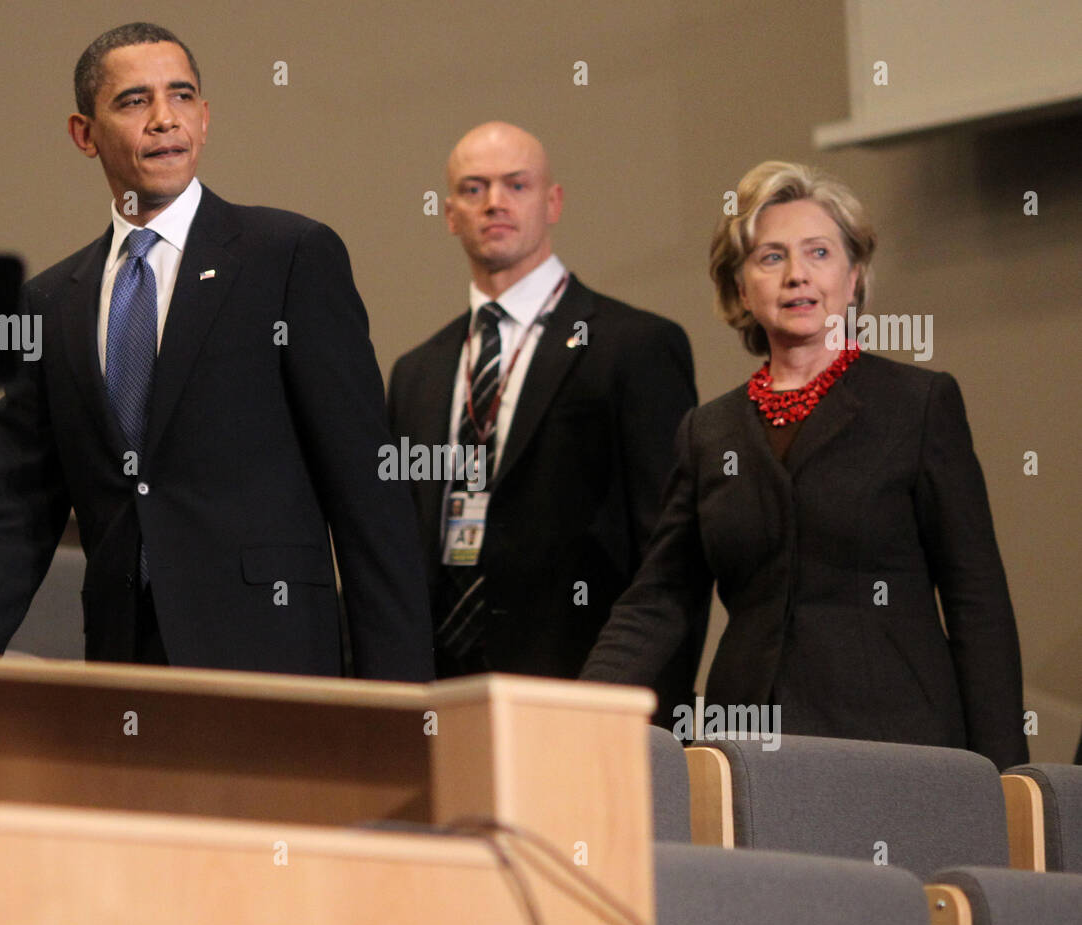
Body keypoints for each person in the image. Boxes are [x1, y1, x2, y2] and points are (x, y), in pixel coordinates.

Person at [0, 23, 434, 680]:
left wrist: (398, 698)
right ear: (84, 134)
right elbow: (14, 509)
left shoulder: (287, 257)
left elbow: (368, 491)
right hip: (126, 664)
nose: (164, 119)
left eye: (182, 96)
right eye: (135, 101)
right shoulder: (50, 302)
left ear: (205, 117)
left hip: (271, 660)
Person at [581, 160, 1028, 770]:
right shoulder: (708, 433)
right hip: (749, 753)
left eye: (818, 253)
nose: (797, 275)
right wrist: (581, 710)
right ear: (740, 289)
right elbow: (658, 600)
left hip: (900, 746)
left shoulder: (918, 405)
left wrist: (1005, 775)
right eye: (770, 257)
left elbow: (977, 599)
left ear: (854, 277)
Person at [388, 122, 701, 683]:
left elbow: (672, 556)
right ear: (450, 213)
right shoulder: (418, 371)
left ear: (552, 202)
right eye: (473, 188)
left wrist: (643, 714)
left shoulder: (634, 345)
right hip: (444, 692)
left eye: (517, 185)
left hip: (584, 683)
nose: (495, 203)